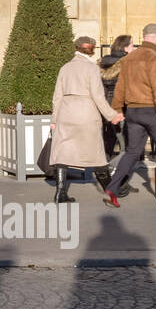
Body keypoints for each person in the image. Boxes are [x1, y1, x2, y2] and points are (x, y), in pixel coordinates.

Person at [102, 23, 156, 209]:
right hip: (152, 111)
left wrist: (117, 109)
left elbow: (120, 87)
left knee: (132, 152)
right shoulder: (154, 58)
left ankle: (111, 189)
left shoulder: (130, 58)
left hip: (133, 112)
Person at [50, 36, 123, 203]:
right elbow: (98, 96)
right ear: (92, 50)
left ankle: (60, 193)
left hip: (66, 113)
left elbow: (57, 97)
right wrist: (111, 115)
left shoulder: (65, 68)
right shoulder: (91, 68)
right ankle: (110, 191)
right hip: (87, 114)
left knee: (62, 153)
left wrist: (54, 119)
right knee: (96, 154)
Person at [99, 35, 134, 160]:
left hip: (106, 99)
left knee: (110, 132)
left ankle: (106, 159)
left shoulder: (104, 61)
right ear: (125, 48)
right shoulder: (128, 61)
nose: (134, 48)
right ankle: (125, 161)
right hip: (122, 99)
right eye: (132, 45)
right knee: (124, 132)